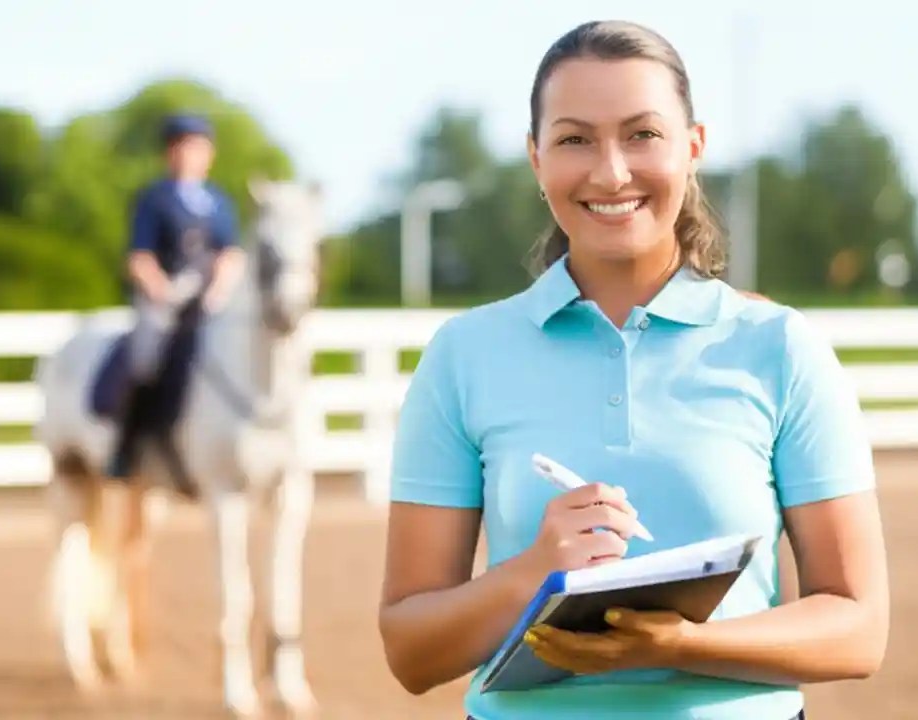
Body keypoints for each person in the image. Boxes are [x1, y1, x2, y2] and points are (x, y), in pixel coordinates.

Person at [378, 20, 888, 720]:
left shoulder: (781, 348)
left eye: (643, 134)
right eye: (574, 139)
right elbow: (410, 653)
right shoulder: (464, 355)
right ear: (536, 159)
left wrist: (677, 646)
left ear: (694, 148)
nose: (610, 171)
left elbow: (860, 629)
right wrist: (534, 573)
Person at [107, 113, 245, 479]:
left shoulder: (219, 202)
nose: (189, 155)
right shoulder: (154, 199)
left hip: (209, 298)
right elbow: (140, 256)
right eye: (182, 147)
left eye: (197, 147)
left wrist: (219, 289)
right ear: (169, 153)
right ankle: (128, 446)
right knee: (145, 358)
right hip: (166, 296)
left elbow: (230, 252)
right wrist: (161, 291)